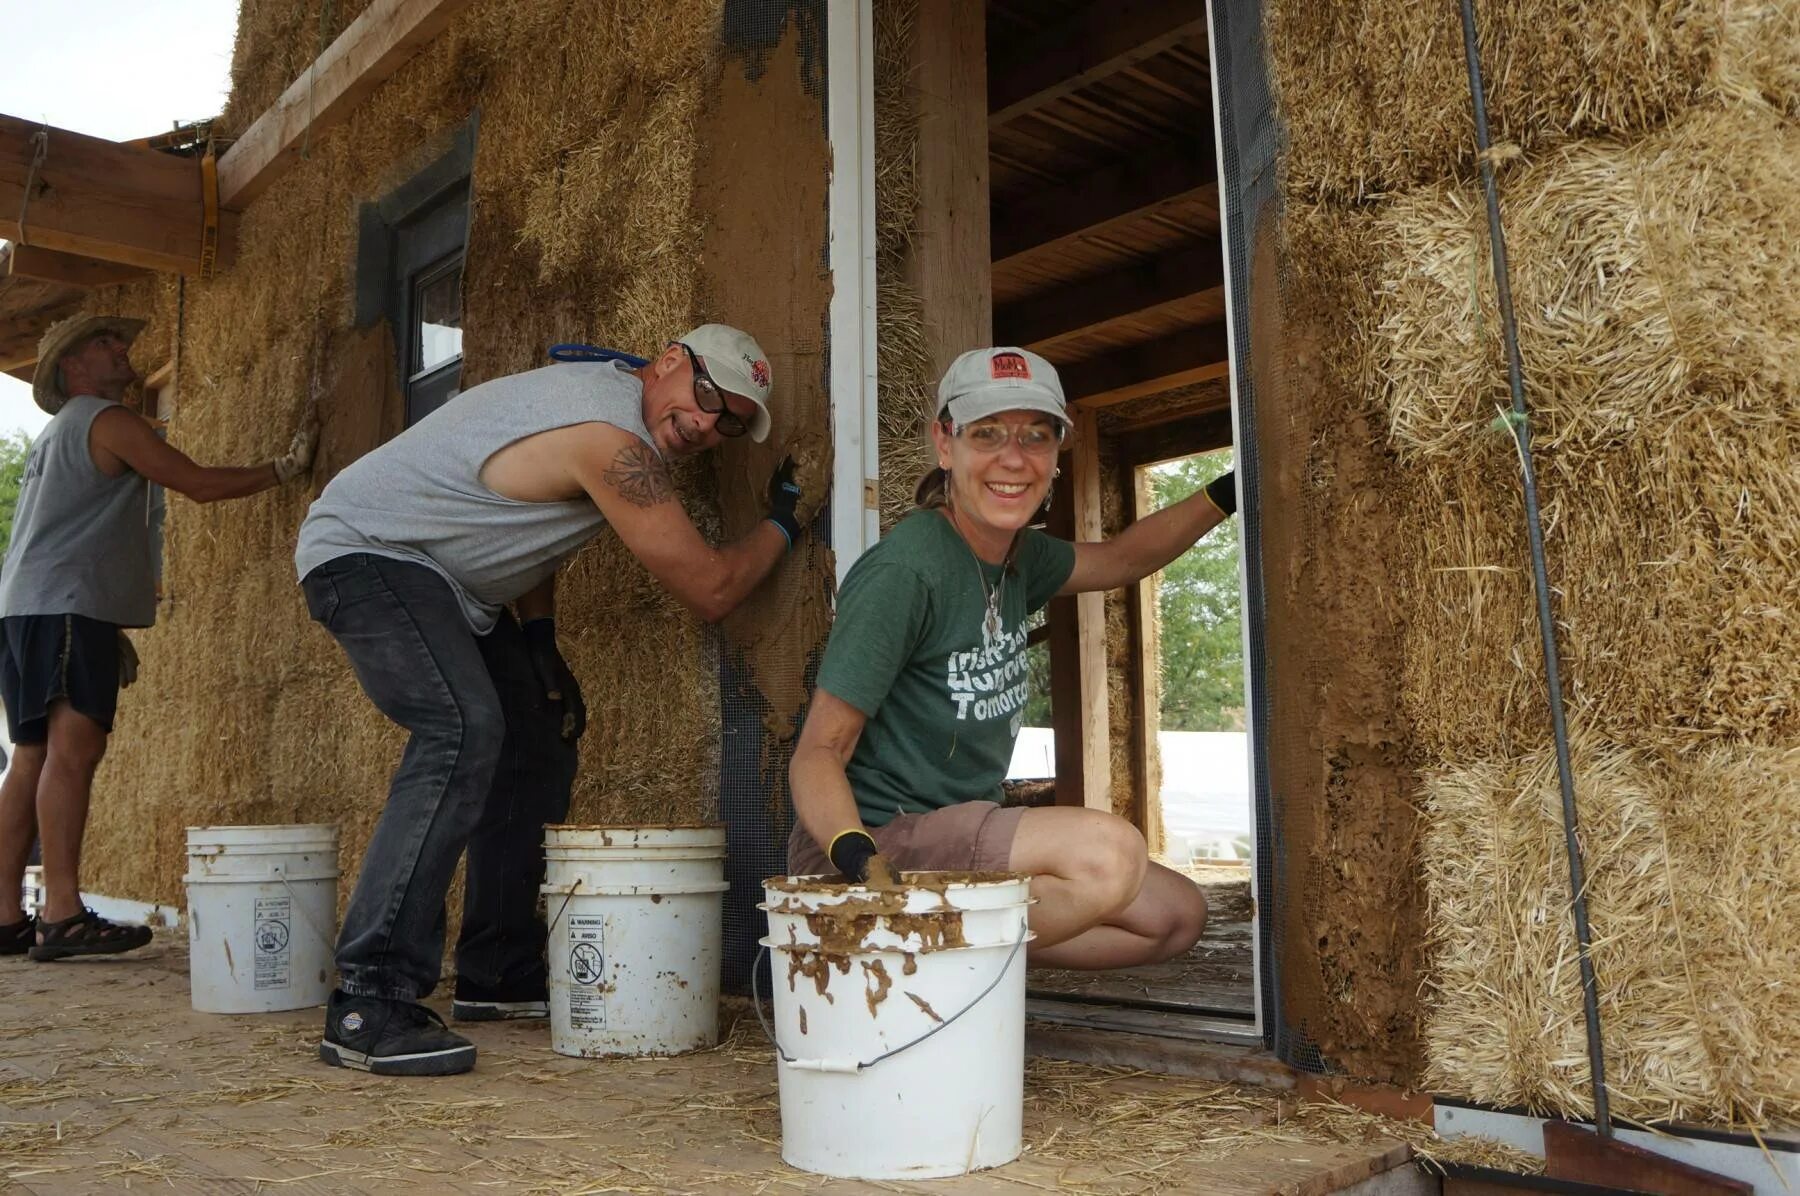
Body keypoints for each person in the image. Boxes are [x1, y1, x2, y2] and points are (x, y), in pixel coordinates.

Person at [294, 323, 809, 1077]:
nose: (707, 425)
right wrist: (786, 522)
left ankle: (496, 970)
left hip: (449, 582)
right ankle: (370, 998)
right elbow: (712, 587)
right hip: (369, 551)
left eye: (729, 421)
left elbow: (522, 528)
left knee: (537, 731)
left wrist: (539, 639)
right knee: (461, 727)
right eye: (705, 396)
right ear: (667, 360)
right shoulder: (611, 439)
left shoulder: (609, 411)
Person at [788, 346, 1235, 971]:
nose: (1013, 458)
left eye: (1036, 436)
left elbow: (1125, 558)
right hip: (873, 846)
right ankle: (896, 946)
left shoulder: (1020, 555)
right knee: (1108, 858)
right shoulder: (907, 571)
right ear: (945, 444)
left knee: (1174, 917)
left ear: (1055, 454)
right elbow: (817, 753)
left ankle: (950, 951)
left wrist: (1229, 490)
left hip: (957, 832)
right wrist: (859, 860)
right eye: (988, 433)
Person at [0, 313, 317, 963]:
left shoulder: (55, 435)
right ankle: (60, 915)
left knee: (30, 754)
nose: (121, 350)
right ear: (72, 370)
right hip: (67, 604)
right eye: (103, 344)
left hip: (22, 607)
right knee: (73, 751)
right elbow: (194, 484)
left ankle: (6, 916)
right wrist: (281, 470)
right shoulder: (106, 419)